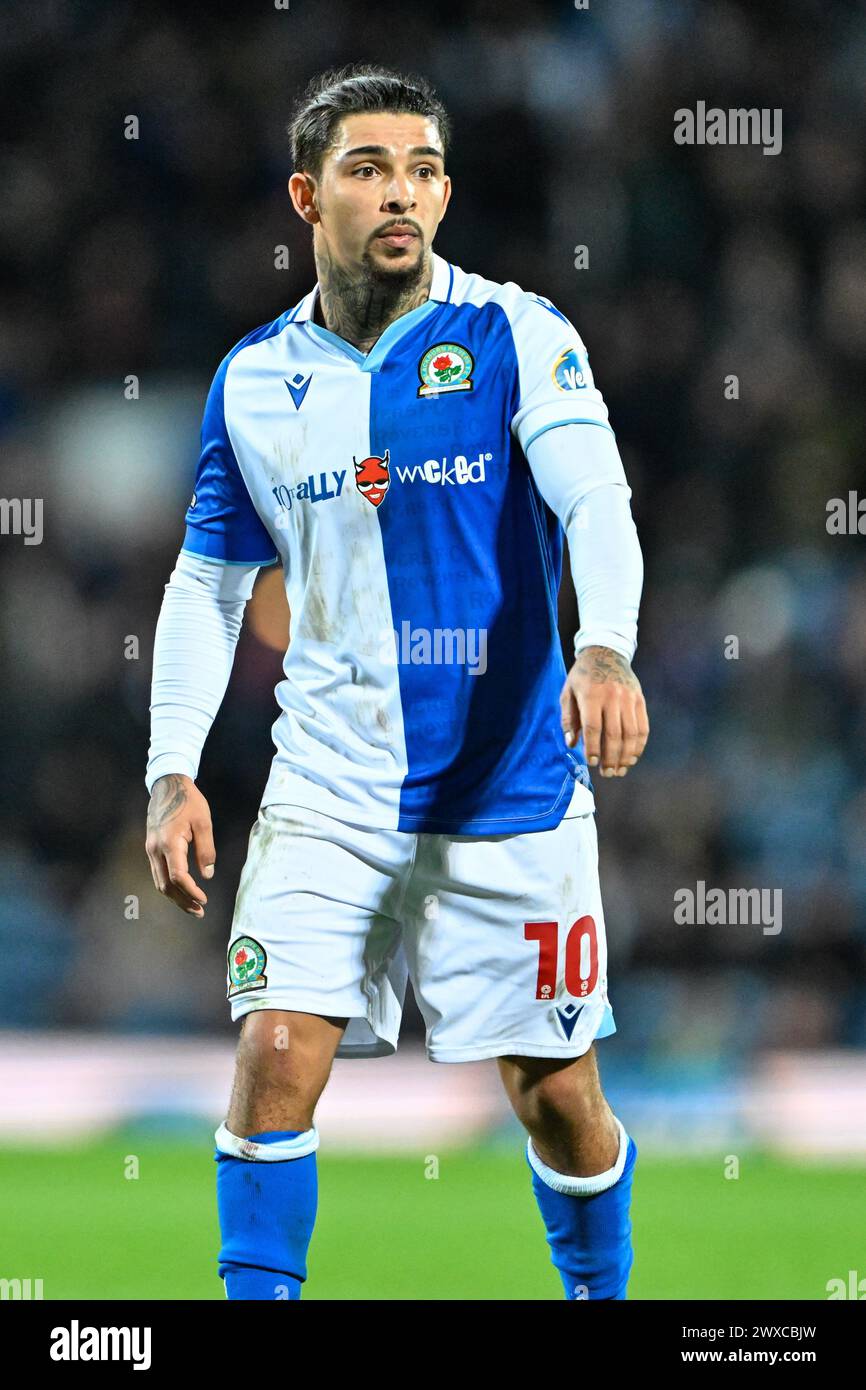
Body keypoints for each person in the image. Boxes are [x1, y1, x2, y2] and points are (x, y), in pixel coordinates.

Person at [145, 63, 648, 1301]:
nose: (401, 194)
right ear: (307, 196)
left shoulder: (517, 335)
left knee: (558, 1099)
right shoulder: (254, 383)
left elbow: (597, 503)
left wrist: (606, 645)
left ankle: (602, 1294)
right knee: (273, 1056)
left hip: (511, 794)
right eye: (369, 170)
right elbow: (206, 587)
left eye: (421, 169)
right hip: (330, 788)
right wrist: (172, 772)